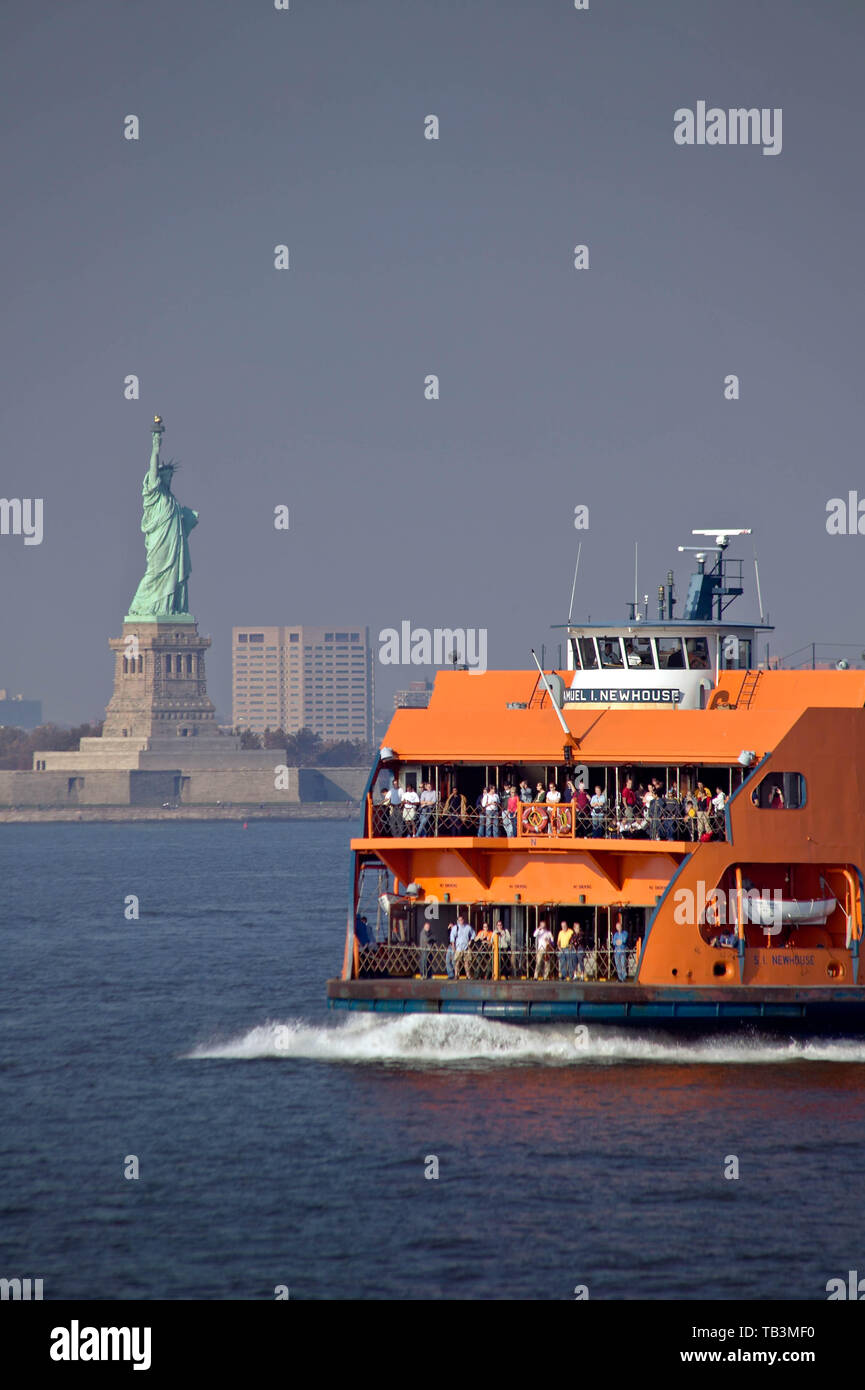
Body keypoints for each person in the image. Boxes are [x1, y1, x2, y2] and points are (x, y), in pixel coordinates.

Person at [452, 913, 476, 979]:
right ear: (457, 921)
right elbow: (452, 937)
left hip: (466, 947)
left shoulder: (468, 927)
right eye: (459, 920)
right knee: (457, 962)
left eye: (462, 920)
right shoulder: (455, 928)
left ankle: (468, 975)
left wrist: (471, 940)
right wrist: (453, 946)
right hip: (458, 947)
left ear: (463, 920)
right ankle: (456, 975)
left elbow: (473, 933)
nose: (461, 921)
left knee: (467, 962)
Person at [612, 915, 629, 981]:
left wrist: (618, 941)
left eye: (619, 926)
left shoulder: (625, 933)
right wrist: (618, 942)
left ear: (621, 927)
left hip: (622, 951)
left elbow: (624, 940)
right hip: (616, 952)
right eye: (617, 927)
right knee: (618, 965)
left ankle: (624, 977)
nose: (618, 928)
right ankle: (620, 977)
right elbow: (614, 942)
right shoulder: (615, 934)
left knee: (623, 964)